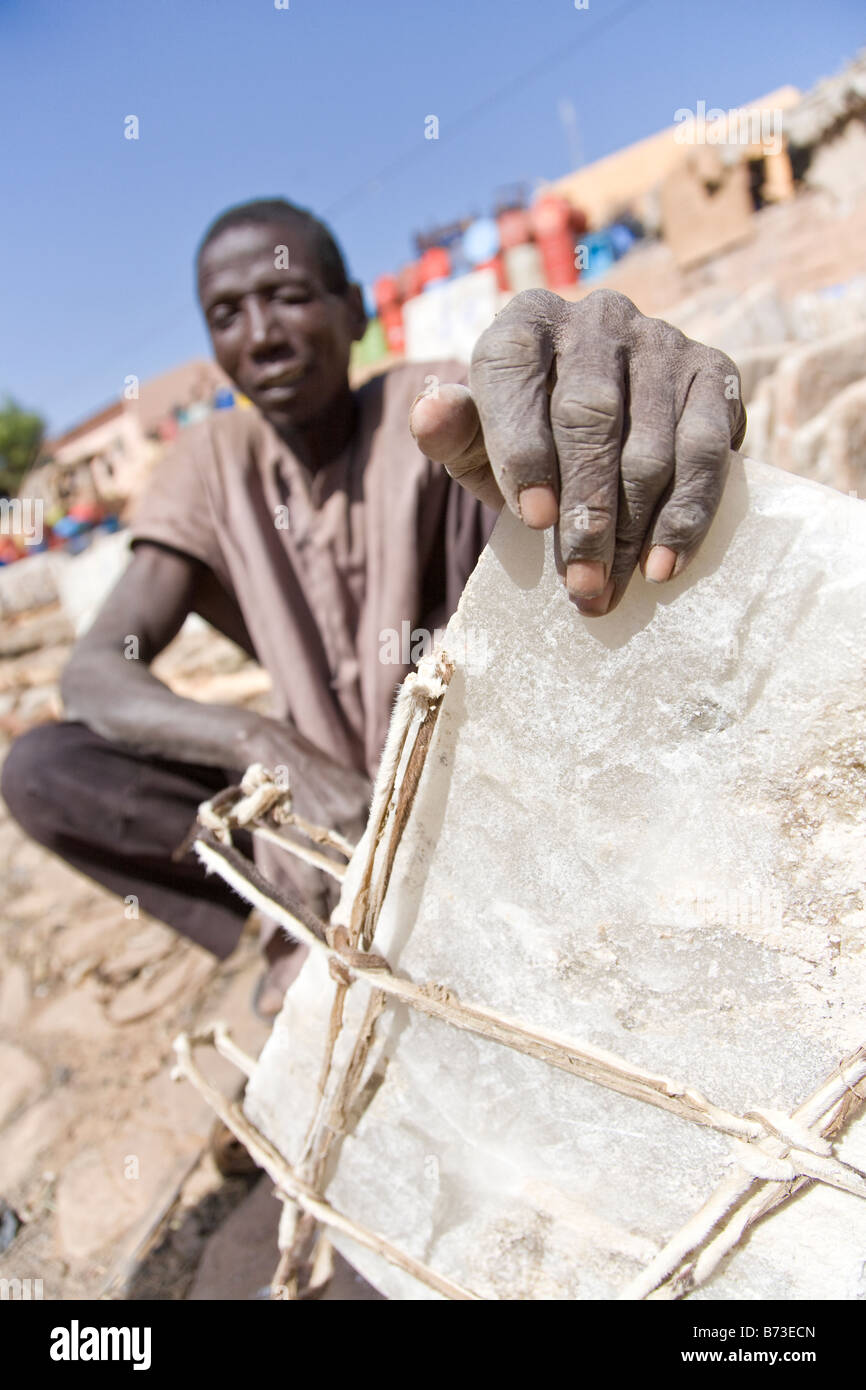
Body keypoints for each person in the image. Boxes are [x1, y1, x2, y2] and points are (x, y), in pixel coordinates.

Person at [1, 197, 746, 1016]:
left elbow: (544, 411)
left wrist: (612, 380)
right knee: (44, 769)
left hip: (460, 790)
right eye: (227, 314)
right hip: (310, 819)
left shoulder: (428, 408)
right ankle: (280, 919)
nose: (261, 334)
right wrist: (267, 741)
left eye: (289, 296)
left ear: (353, 310)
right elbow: (98, 668)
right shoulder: (210, 462)